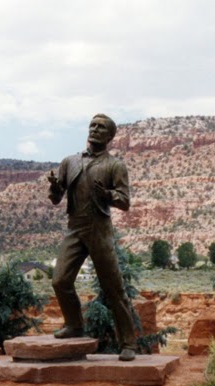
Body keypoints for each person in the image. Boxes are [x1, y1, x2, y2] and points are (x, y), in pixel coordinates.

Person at [47, 113, 138, 360]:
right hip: (75, 228)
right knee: (60, 280)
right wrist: (55, 190)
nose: (95, 130)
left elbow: (125, 202)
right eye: (92, 126)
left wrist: (108, 195)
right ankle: (74, 325)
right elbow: (57, 198)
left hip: (99, 229)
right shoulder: (70, 162)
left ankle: (128, 342)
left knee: (113, 288)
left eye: (101, 128)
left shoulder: (114, 165)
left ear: (110, 137)